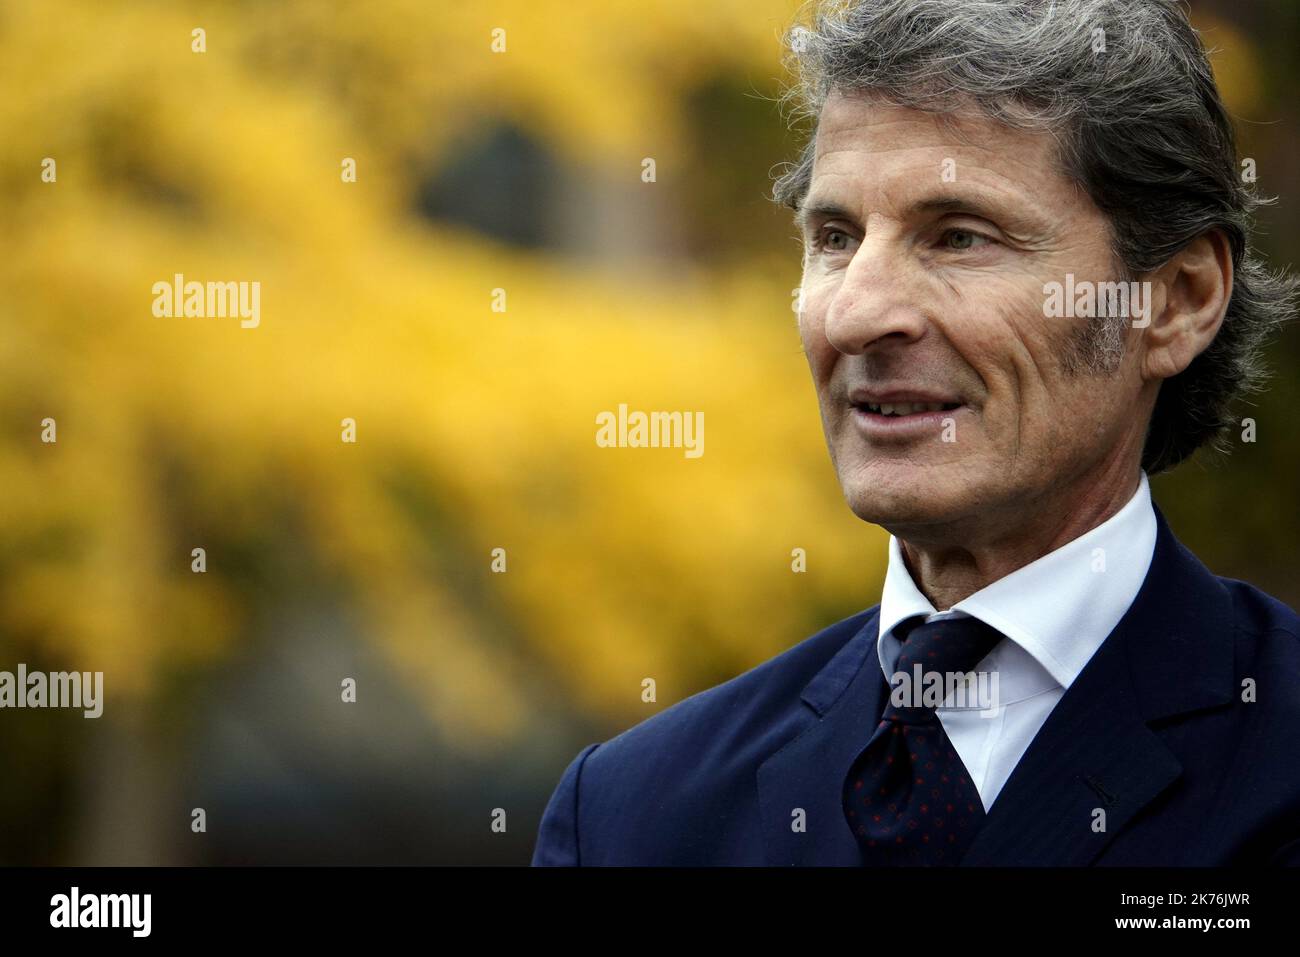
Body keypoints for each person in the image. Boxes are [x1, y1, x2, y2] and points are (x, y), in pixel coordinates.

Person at [532, 0, 1300, 866]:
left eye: (958, 236)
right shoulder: (633, 815)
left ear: (1179, 298)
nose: (856, 314)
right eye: (835, 237)